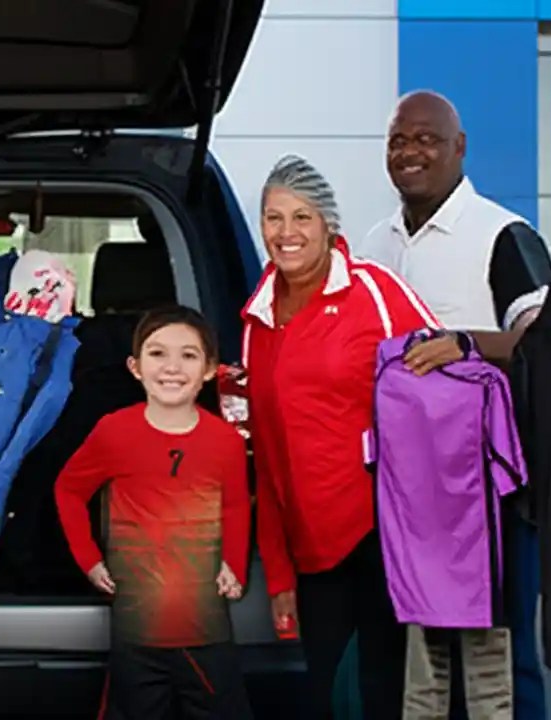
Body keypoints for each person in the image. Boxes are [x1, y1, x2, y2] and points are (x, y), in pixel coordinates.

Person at [360, 90, 551, 720]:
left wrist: (465, 344)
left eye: (426, 139)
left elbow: (546, 342)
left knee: (501, 650)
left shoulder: (502, 235)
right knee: (420, 652)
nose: (410, 152)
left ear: (459, 148)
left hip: (487, 487)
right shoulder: (375, 243)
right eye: (398, 140)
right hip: (406, 489)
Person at [242, 154, 440, 719]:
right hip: (311, 541)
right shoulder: (257, 315)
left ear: (329, 225)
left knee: (385, 690)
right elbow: (269, 459)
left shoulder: (373, 291)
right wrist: (278, 573)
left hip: (385, 530)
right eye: (274, 218)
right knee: (329, 693)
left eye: (302, 217)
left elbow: (442, 388)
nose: (287, 233)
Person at [54, 305, 252, 719]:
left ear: (211, 369)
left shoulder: (226, 442)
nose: (172, 367)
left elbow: (235, 504)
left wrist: (234, 563)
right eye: (158, 354)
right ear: (135, 366)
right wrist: (89, 561)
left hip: (206, 629)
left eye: (189, 355)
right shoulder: (114, 431)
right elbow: (69, 490)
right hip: (136, 632)